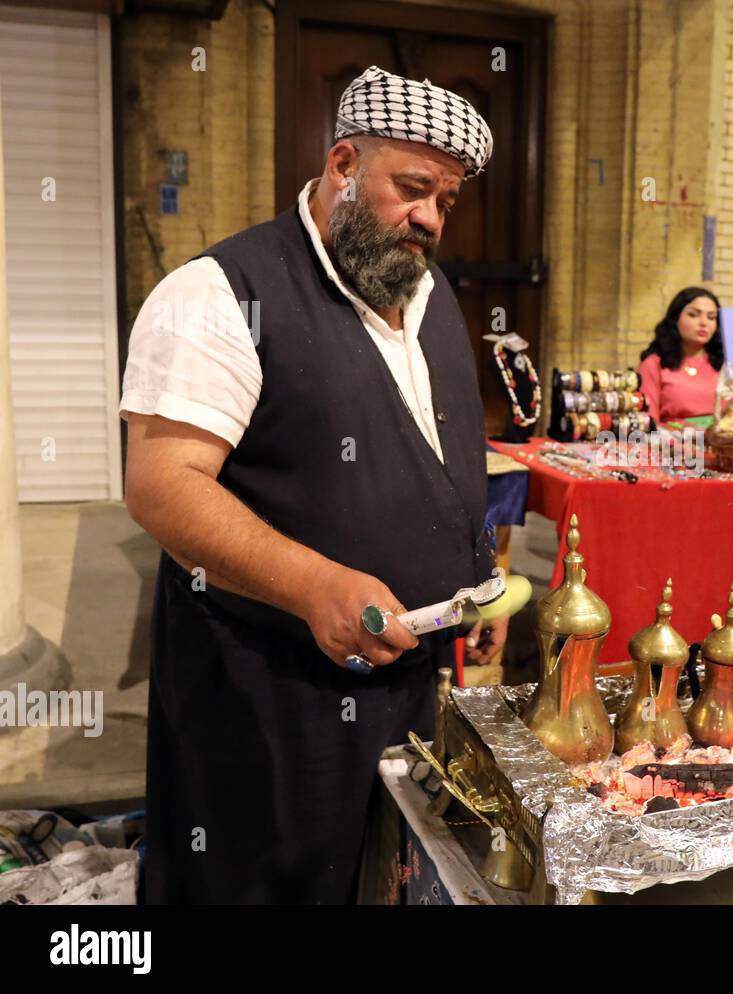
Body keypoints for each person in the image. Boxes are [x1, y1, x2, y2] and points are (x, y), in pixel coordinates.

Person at [119, 66, 506, 903]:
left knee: (384, 870)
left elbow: (436, 450)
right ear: (342, 165)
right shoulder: (219, 294)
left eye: (446, 201)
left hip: (409, 675)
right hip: (267, 687)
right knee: (266, 879)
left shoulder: (428, 288)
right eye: (413, 189)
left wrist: (476, 581)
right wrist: (312, 583)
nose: (431, 219)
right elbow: (162, 486)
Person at [637, 287, 733, 423]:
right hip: (670, 436)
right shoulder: (654, 364)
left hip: (722, 435)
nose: (703, 323)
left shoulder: (726, 364)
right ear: (675, 319)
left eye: (711, 317)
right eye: (693, 315)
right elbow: (647, 422)